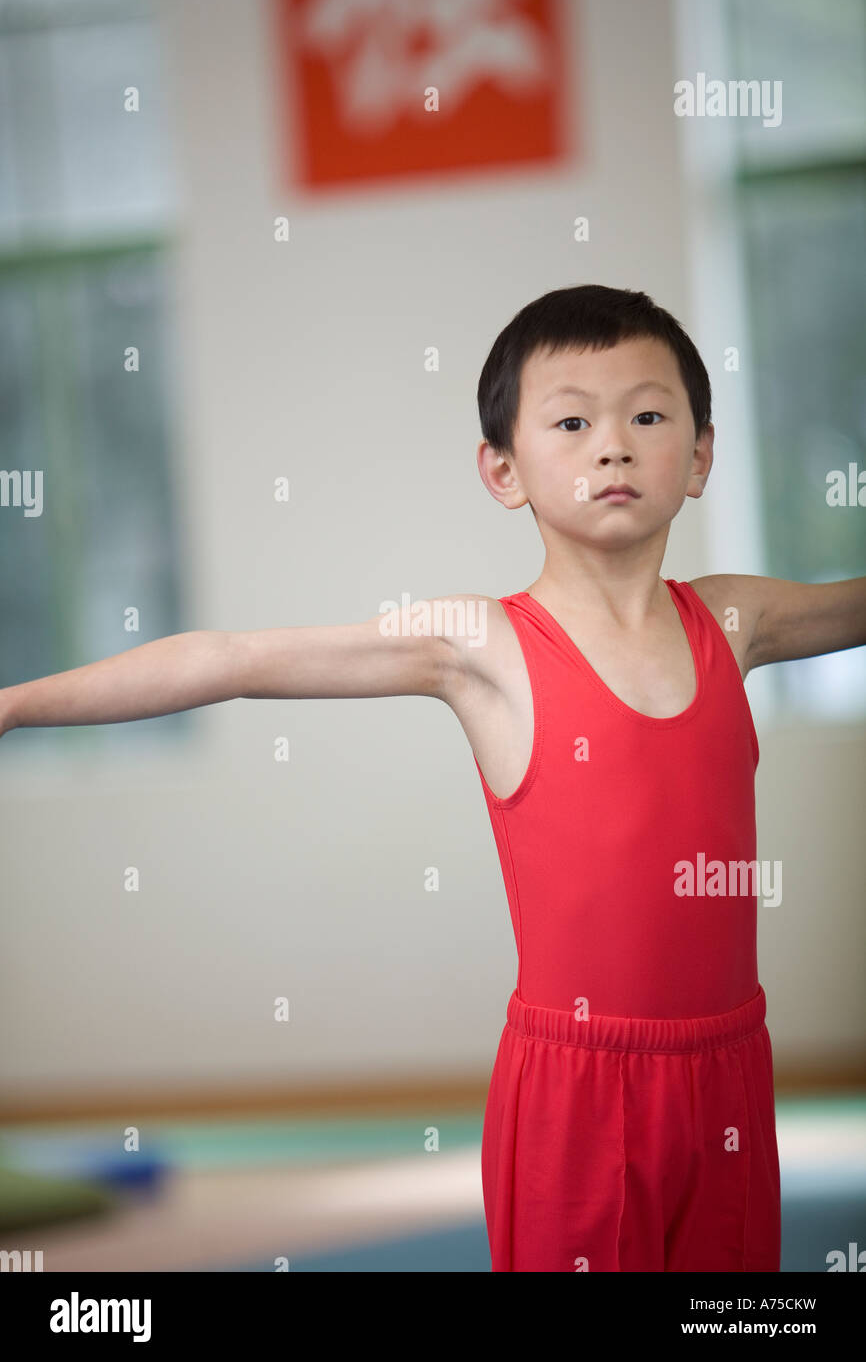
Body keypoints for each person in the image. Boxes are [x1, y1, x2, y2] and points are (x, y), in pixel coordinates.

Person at [2, 283, 864, 1271]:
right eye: (572, 420)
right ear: (502, 470)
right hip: (576, 1093)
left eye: (648, 415)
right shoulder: (484, 645)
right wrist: (14, 703)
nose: (612, 445)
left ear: (701, 455)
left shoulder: (734, 620)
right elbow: (232, 657)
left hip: (727, 1075)